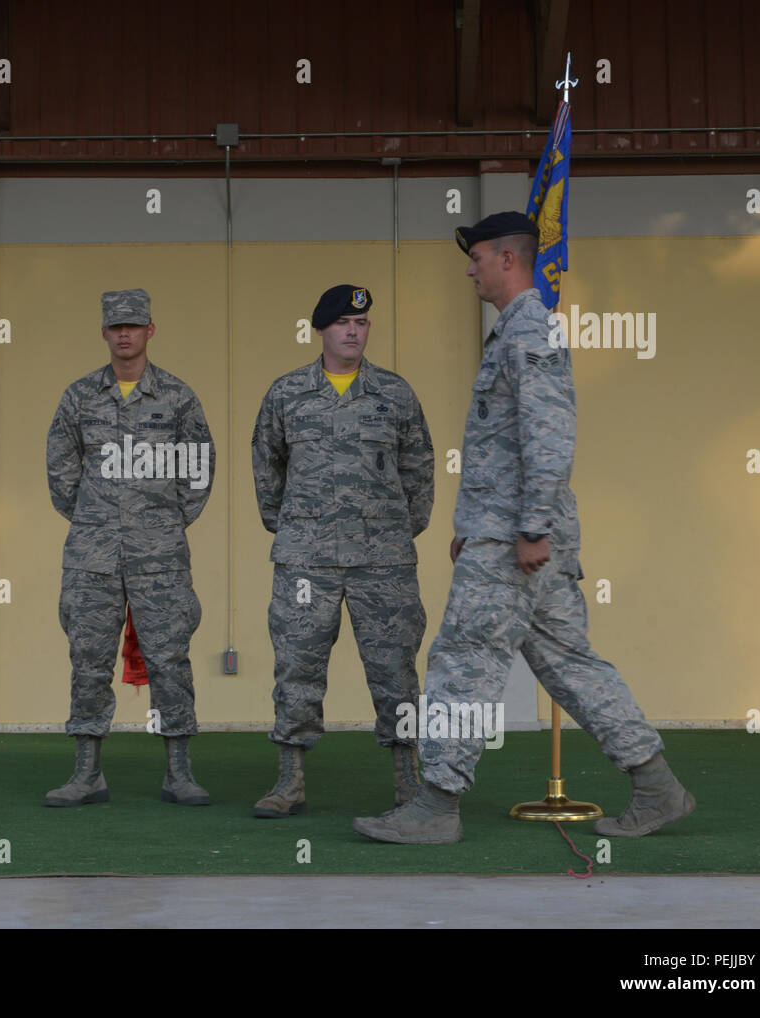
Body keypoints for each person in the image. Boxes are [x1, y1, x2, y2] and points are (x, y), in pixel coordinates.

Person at [354, 212, 695, 844]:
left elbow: (549, 432)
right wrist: (473, 525)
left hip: (517, 542)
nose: (470, 270)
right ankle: (657, 787)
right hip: (512, 534)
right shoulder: (516, 331)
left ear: (507, 259)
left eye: (477, 257)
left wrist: (530, 526)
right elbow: (507, 443)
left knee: (462, 660)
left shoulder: (529, 331)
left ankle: (435, 806)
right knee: (572, 664)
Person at [251, 284, 434, 818]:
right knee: (297, 665)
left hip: (384, 560)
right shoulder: (287, 393)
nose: (353, 331)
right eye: (342, 324)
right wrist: (295, 529)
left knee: (396, 669)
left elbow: (419, 469)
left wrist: (394, 531)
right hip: (306, 561)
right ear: (321, 331)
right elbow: (267, 468)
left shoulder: (394, 394)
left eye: (361, 323)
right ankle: (289, 780)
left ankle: (407, 780)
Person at [44, 288, 215, 806]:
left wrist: (162, 521)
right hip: (92, 556)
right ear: (104, 332)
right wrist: (95, 518)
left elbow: (198, 469)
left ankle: (179, 774)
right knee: (88, 660)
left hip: (160, 557)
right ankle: (87, 774)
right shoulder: (79, 397)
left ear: (149, 331)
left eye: (134, 326)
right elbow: (60, 468)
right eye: (116, 326)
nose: (125, 334)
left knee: (170, 659)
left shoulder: (178, 397)